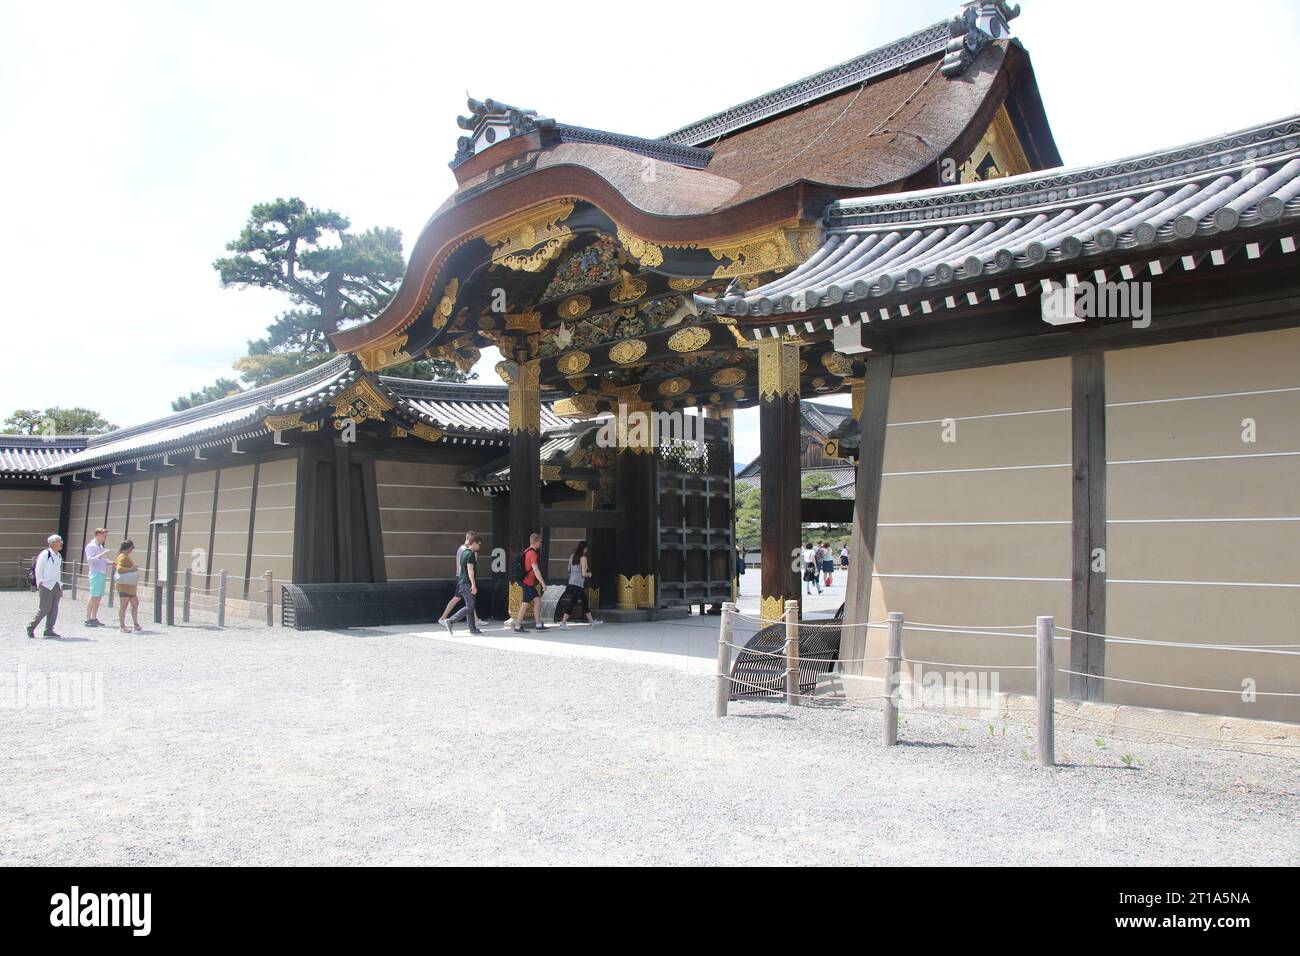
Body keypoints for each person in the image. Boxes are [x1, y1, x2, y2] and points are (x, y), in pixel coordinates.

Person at [443, 533, 483, 635]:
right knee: (470, 606)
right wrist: (473, 585)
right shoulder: (470, 554)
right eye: (478, 544)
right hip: (467, 583)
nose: (479, 547)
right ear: (473, 543)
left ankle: (472, 628)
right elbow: (470, 569)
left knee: (470, 606)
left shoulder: (464, 553)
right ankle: (451, 621)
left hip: (462, 582)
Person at [26, 534, 63, 639]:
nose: (61, 543)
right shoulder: (45, 554)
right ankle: (31, 626)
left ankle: (49, 629)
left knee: (54, 609)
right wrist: (40, 583)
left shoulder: (58, 555)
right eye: (59, 541)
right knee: (45, 608)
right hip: (46, 585)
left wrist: (60, 585)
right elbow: (39, 569)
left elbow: (58, 571)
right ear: (52, 543)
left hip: (56, 584)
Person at [559, 541, 602, 627]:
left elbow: (568, 569)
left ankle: (592, 622)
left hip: (571, 583)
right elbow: (584, 574)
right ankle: (563, 623)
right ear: (585, 548)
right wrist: (589, 574)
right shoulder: (583, 558)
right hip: (578, 584)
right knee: (572, 603)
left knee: (585, 601)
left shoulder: (573, 556)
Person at [511, 532, 547, 633]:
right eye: (540, 541)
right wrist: (543, 583)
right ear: (536, 541)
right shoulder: (533, 553)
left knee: (537, 600)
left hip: (527, 582)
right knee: (525, 604)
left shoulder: (526, 551)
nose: (541, 543)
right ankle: (518, 626)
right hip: (528, 583)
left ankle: (538, 624)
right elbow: (535, 570)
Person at [438, 531, 476, 625]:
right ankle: (444, 618)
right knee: (459, 598)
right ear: (468, 539)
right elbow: (464, 565)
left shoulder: (463, 549)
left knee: (468, 599)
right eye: (473, 540)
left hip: (462, 577)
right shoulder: (464, 550)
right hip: (463, 578)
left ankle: (476, 619)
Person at [83, 527, 111, 627]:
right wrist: (102, 554)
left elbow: (102, 559)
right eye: (104, 536)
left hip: (101, 572)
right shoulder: (91, 546)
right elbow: (90, 560)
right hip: (96, 573)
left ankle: (94, 617)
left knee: (98, 597)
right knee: (93, 595)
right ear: (98, 535)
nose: (105, 538)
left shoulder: (100, 546)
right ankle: (87, 619)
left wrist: (110, 562)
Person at [115, 540, 142, 633]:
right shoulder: (122, 557)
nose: (132, 550)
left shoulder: (125, 556)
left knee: (135, 603)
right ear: (128, 547)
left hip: (130, 586)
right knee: (124, 605)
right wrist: (131, 569)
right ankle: (122, 626)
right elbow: (119, 569)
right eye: (132, 547)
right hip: (123, 585)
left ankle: (135, 624)